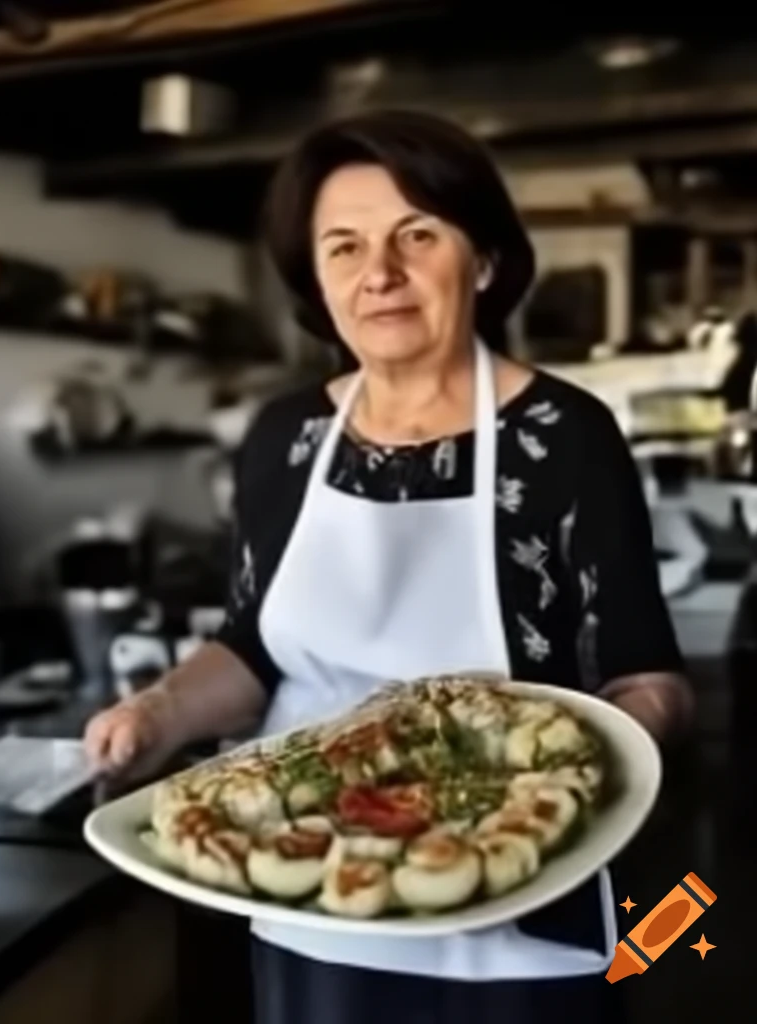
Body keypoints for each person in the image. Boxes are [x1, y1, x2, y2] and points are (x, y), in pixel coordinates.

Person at [85, 110, 694, 1024]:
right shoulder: (283, 438)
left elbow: (652, 678)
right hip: (312, 900)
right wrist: (161, 710)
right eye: (344, 247)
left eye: (417, 234)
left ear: (482, 261)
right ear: (317, 281)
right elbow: (252, 648)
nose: (380, 274)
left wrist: (588, 750)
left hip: (523, 911)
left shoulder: (566, 437)